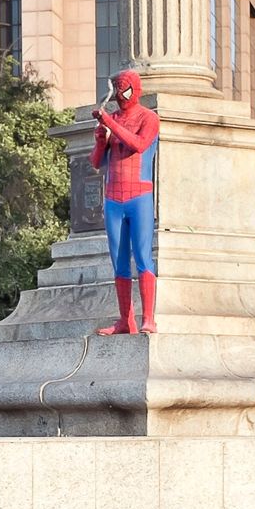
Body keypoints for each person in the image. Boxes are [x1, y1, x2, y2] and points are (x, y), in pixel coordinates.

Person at [91, 68, 162, 336]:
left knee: (143, 256)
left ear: (136, 89)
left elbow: (139, 145)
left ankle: (149, 319)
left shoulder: (149, 118)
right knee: (119, 262)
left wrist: (110, 124)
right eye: (117, 87)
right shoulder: (113, 119)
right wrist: (100, 141)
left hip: (139, 196)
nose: (121, 93)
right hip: (113, 198)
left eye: (125, 87)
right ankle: (125, 320)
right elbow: (97, 162)